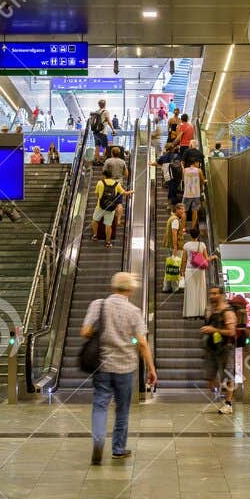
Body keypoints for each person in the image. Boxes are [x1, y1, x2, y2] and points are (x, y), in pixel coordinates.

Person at [79, 271, 156, 465]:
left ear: (113, 287)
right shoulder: (134, 312)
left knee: (100, 405)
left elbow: (85, 331)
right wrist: (151, 368)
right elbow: (143, 343)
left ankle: (98, 442)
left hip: (102, 365)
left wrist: (103, 333)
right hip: (125, 366)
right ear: (130, 290)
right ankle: (118, 449)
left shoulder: (98, 305)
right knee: (122, 409)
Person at [202, 285, 238, 413]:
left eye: (215, 293)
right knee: (211, 377)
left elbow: (231, 332)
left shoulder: (228, 312)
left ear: (221, 295)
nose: (212, 296)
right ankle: (221, 395)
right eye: (211, 293)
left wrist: (214, 330)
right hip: (212, 348)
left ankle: (228, 404)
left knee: (228, 375)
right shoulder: (211, 310)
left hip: (226, 348)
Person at [91, 171, 125, 247]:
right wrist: (131, 192)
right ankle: (108, 242)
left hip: (100, 207)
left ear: (104, 176)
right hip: (111, 208)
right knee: (108, 225)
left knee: (95, 220)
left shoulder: (100, 182)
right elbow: (123, 193)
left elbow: (96, 194)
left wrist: (101, 200)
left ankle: (95, 235)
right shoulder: (117, 184)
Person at [182, 230, 209, 319]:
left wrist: (182, 271)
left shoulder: (186, 245)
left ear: (190, 235)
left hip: (189, 270)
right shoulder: (202, 245)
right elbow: (206, 258)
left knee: (190, 292)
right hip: (200, 270)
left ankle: (189, 314)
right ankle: (200, 313)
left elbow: (184, 260)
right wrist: (213, 257)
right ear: (198, 235)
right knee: (200, 291)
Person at [181, 157, 203, 228]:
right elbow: (202, 180)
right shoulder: (199, 170)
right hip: (196, 194)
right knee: (195, 211)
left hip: (187, 194)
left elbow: (183, 179)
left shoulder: (184, 170)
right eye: (198, 163)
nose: (198, 164)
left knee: (184, 211)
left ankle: (183, 228)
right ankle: (193, 228)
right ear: (195, 163)